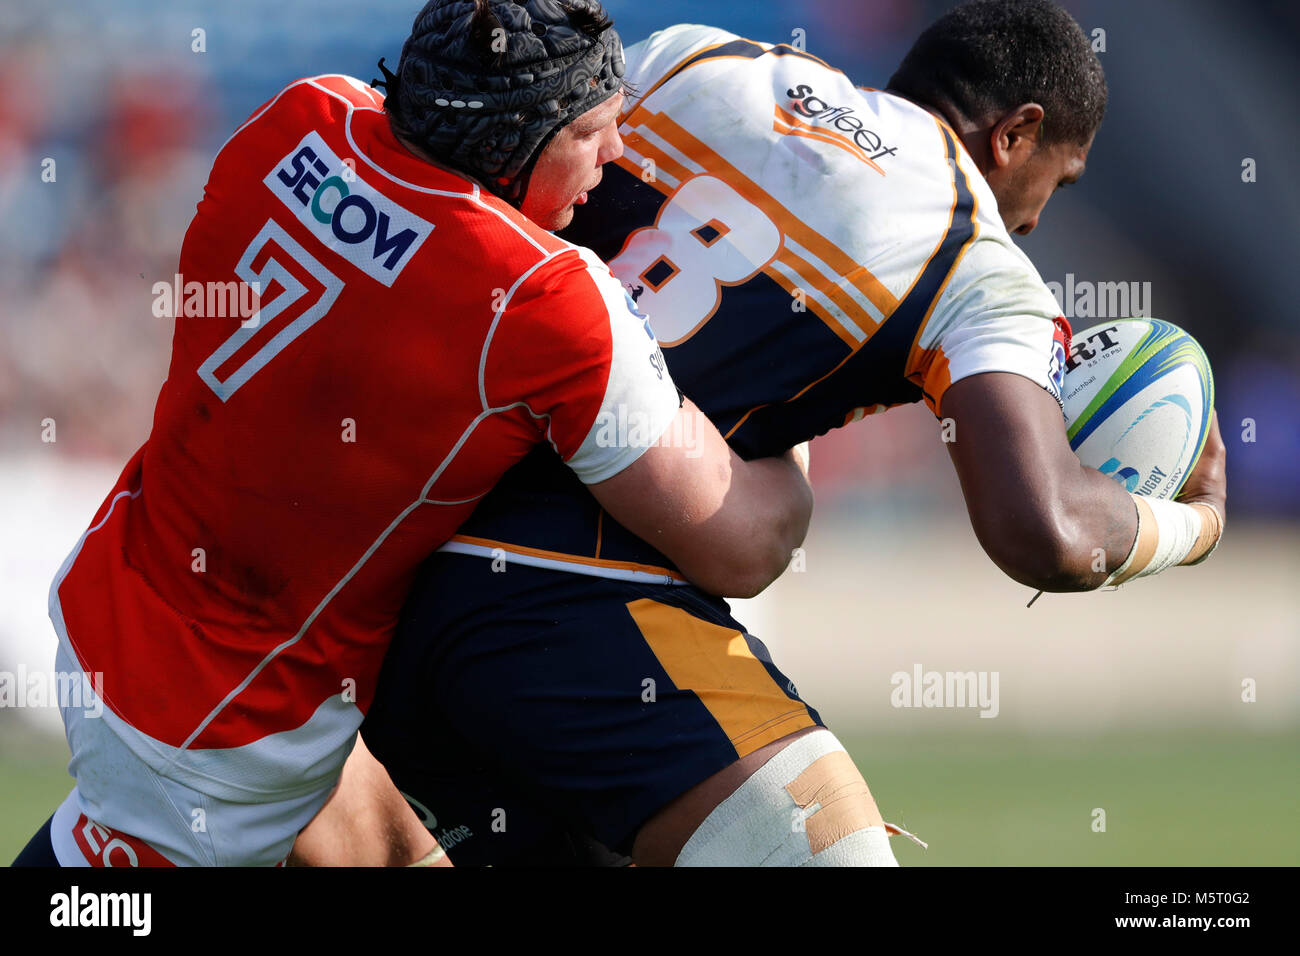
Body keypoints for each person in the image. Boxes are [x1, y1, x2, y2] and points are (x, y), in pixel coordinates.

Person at [357, 1, 1227, 867]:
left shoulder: (698, 58)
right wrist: (1199, 525)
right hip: (573, 604)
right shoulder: (978, 261)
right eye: (1058, 180)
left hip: (378, 554)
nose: (1036, 218)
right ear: (1016, 133)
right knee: (826, 849)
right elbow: (1048, 531)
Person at [11, 0, 814, 868]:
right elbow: (745, 547)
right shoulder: (546, 300)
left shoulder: (303, 112)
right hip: (230, 723)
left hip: (117, 596)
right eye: (593, 131)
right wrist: (789, 395)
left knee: (401, 845)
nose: (616, 156)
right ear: (519, 143)